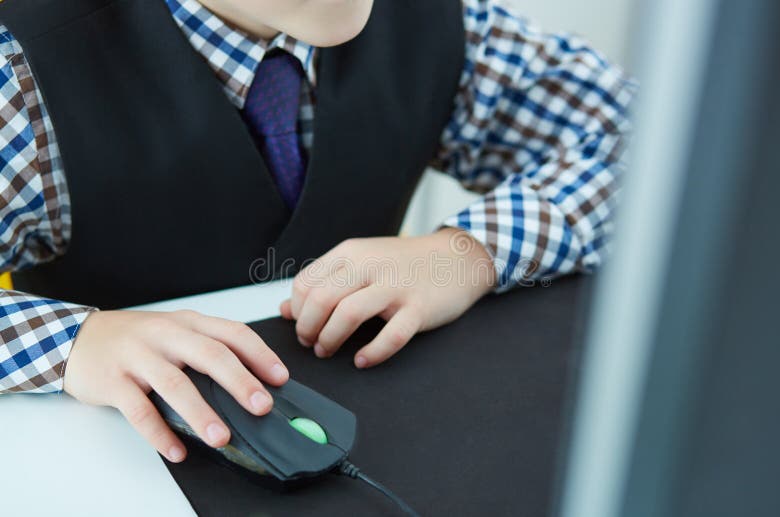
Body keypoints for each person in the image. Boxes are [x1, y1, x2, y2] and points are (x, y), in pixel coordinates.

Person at [0, 0, 635, 463]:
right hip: (117, 460)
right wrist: (78, 343)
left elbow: (653, 141)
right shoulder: (23, 65)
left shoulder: (439, 22)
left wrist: (467, 253)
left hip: (386, 424)